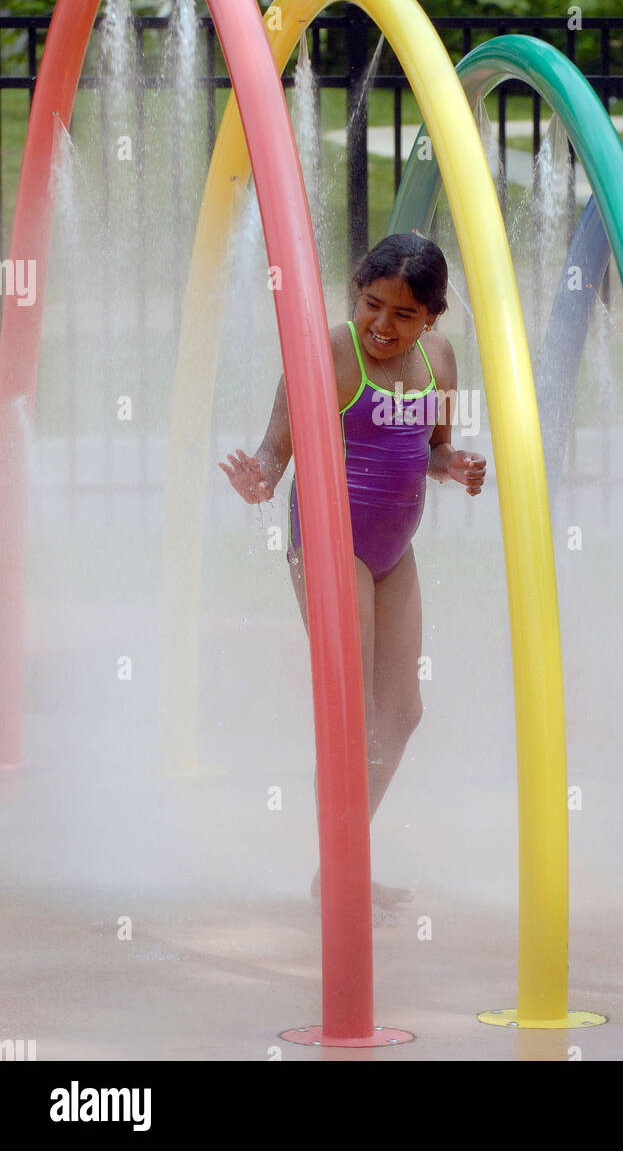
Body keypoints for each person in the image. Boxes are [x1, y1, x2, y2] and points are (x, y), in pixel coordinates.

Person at [220, 233, 487, 910]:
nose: (383, 325)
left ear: (432, 318)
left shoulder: (440, 360)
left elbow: (432, 449)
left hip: (394, 552)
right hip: (329, 544)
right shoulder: (326, 356)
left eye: (404, 314)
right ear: (355, 294)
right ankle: (341, 873)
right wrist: (256, 483)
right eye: (372, 304)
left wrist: (451, 466)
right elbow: (273, 455)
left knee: (400, 712)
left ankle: (340, 861)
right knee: (353, 711)